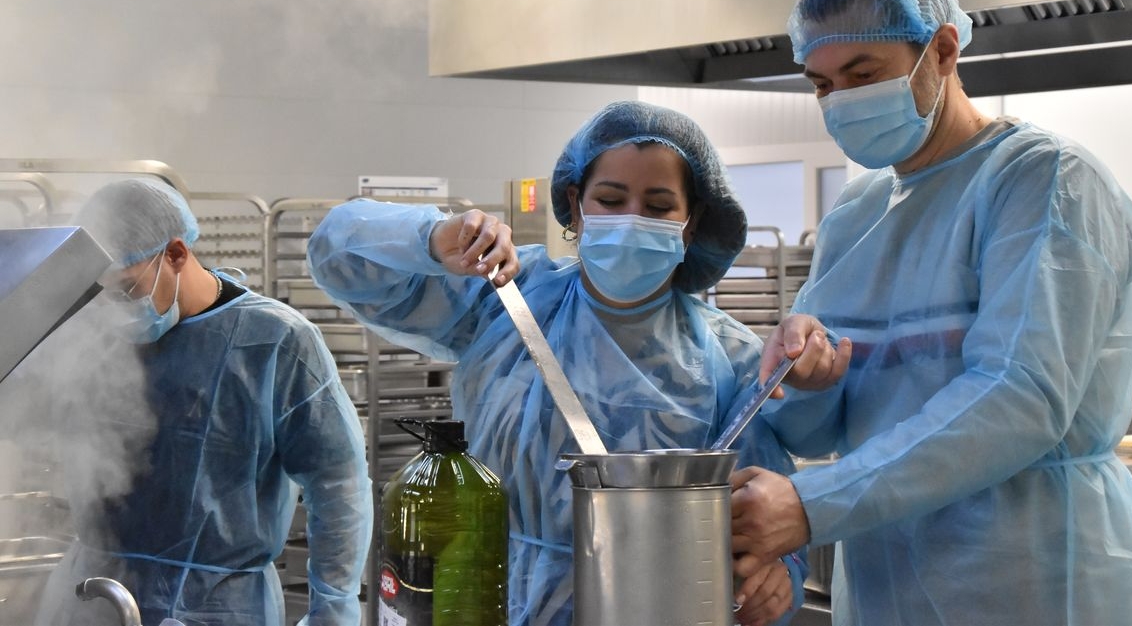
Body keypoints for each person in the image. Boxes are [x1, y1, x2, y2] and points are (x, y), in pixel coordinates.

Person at [727, 0, 1132, 625]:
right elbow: (815, 430)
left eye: (863, 75)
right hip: (887, 591)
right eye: (822, 85)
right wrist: (808, 381)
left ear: (941, 51)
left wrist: (813, 503)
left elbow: (1019, 398)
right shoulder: (856, 216)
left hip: (1036, 582)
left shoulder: (1044, 182)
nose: (842, 100)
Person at [307, 101, 815, 626]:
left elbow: (766, 510)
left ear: (692, 223)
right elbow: (338, 253)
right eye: (610, 200)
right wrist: (434, 240)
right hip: (485, 601)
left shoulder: (730, 359)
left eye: (658, 206)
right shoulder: (506, 299)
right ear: (575, 205)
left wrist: (779, 572)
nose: (631, 219)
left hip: (653, 610)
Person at [36, 178, 373, 626]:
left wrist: (331, 609)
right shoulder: (91, 338)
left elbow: (337, 485)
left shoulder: (275, 341)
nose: (113, 312)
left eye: (127, 291)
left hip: (217, 607)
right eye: (102, 295)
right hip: (92, 596)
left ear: (176, 254)